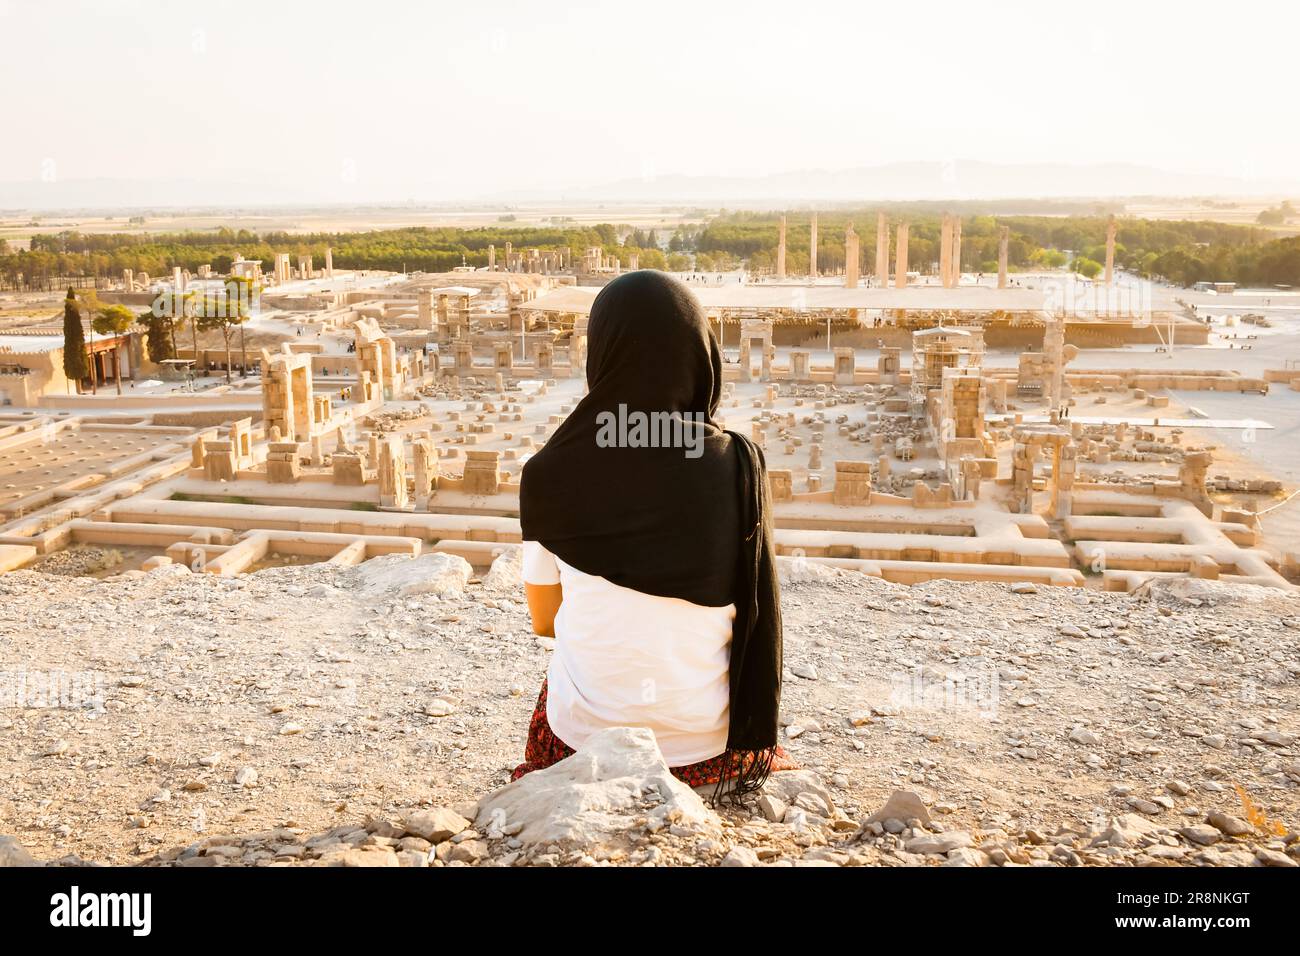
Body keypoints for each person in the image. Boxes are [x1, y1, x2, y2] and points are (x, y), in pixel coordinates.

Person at [516, 270, 794, 803]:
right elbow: (752, 607)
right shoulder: (737, 467)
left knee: (566, 672)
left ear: (603, 354)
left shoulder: (548, 474)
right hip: (706, 740)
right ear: (700, 355)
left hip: (586, 737)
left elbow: (545, 622)